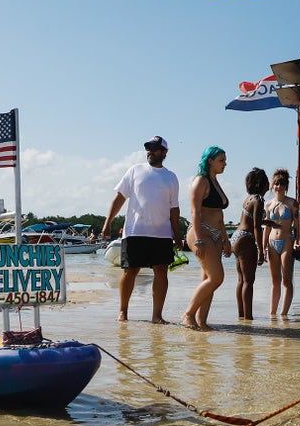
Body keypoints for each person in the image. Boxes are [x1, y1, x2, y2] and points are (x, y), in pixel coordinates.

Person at [101, 136, 183, 324]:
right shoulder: (134, 170)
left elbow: (174, 209)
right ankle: (123, 312)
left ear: (164, 152)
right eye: (148, 148)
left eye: (154, 148)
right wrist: (108, 222)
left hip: (162, 234)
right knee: (130, 271)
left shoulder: (171, 177)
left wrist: (177, 236)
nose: (150, 152)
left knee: (161, 273)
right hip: (135, 231)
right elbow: (120, 198)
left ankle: (157, 316)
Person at [181, 147, 231, 330]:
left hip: (216, 235)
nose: (225, 163)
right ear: (210, 161)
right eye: (221, 160)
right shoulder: (200, 181)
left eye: (225, 160)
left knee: (208, 279)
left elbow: (219, 215)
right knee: (217, 278)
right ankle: (188, 314)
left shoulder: (215, 181)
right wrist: (199, 239)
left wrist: (225, 239)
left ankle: (201, 322)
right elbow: (195, 212)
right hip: (201, 232)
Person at [231, 167, 269, 320]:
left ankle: (241, 316)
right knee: (249, 281)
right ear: (262, 184)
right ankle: (249, 318)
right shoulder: (258, 200)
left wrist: (268, 222)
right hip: (246, 238)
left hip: (236, 237)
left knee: (241, 280)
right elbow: (256, 227)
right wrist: (261, 250)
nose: (269, 184)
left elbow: (250, 220)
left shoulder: (249, 198)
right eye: (267, 181)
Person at [265, 168, 300, 317]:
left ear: (286, 186)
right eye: (276, 184)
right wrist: (263, 247)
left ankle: (283, 314)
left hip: (286, 241)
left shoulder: (292, 203)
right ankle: (272, 314)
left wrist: (297, 240)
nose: (278, 186)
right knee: (275, 281)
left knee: (286, 280)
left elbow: (297, 226)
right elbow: (267, 228)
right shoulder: (268, 204)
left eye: (281, 184)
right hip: (272, 242)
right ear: (272, 185)